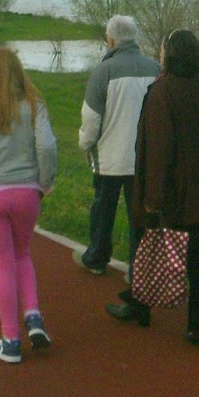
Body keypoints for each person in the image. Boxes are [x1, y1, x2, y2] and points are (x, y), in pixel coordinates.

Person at [109, 28, 199, 350]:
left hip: (170, 191)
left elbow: (158, 149)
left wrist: (152, 200)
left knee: (148, 244)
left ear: (170, 54)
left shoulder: (161, 93)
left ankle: (140, 306)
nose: (159, 53)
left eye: (162, 49)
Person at [0, 47, 57, 365]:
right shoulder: (34, 103)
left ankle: (11, 340)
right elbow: (47, 146)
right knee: (22, 255)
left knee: (2, 264)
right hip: (28, 193)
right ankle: (33, 316)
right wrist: (45, 181)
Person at [72, 15, 159, 274]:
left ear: (111, 40)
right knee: (139, 216)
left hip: (109, 156)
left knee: (103, 209)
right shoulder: (155, 69)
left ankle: (97, 258)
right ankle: (139, 270)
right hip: (143, 158)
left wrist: (85, 143)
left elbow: (91, 117)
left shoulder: (103, 71)